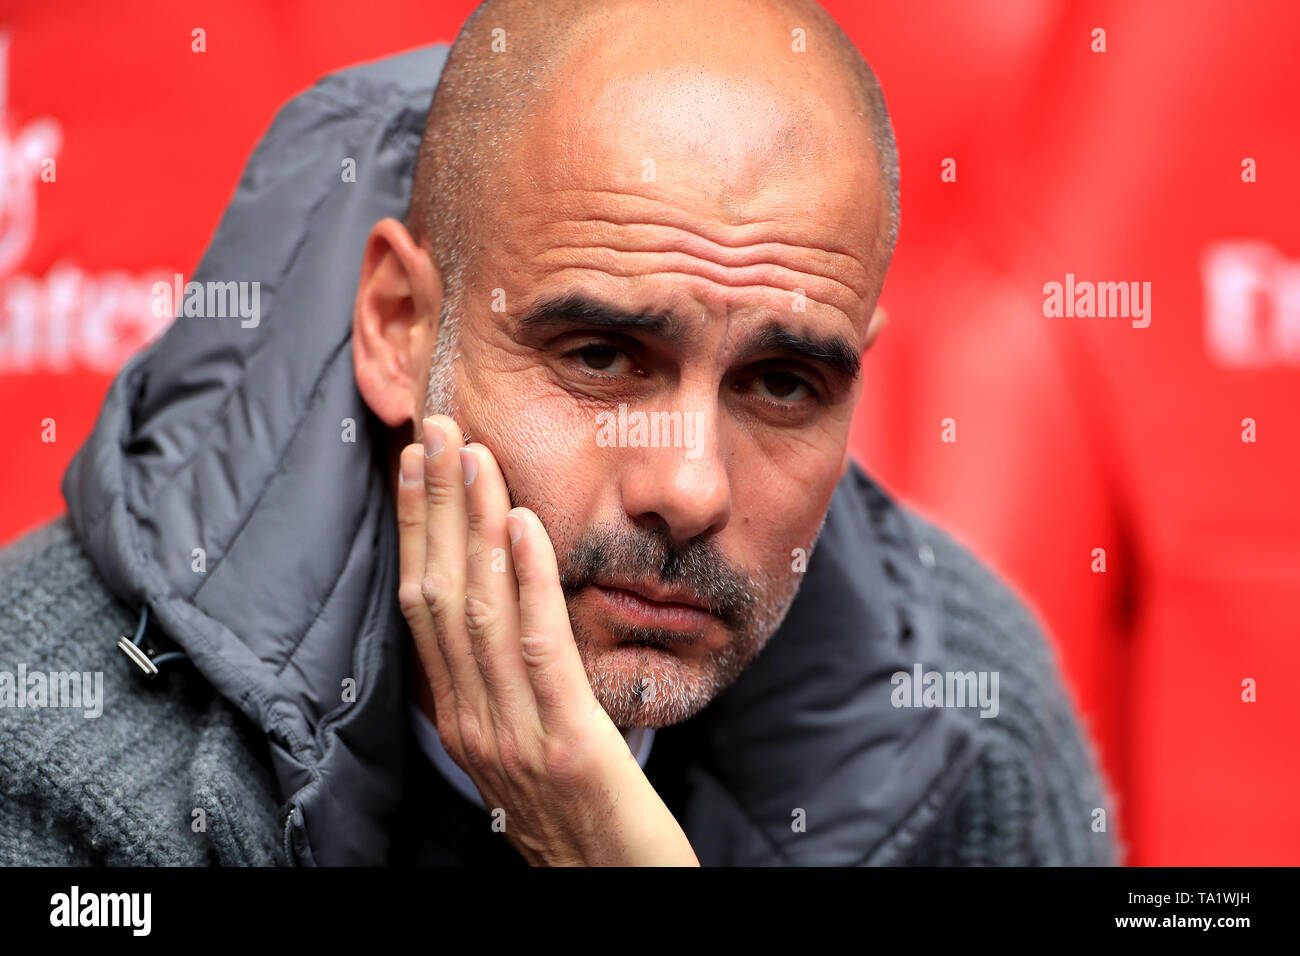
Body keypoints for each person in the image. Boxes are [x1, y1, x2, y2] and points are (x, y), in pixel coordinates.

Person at [0, 0, 1116, 865]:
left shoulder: (964, 708)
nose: (688, 488)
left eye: (782, 383)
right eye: (600, 356)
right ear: (397, 326)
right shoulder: (59, 750)